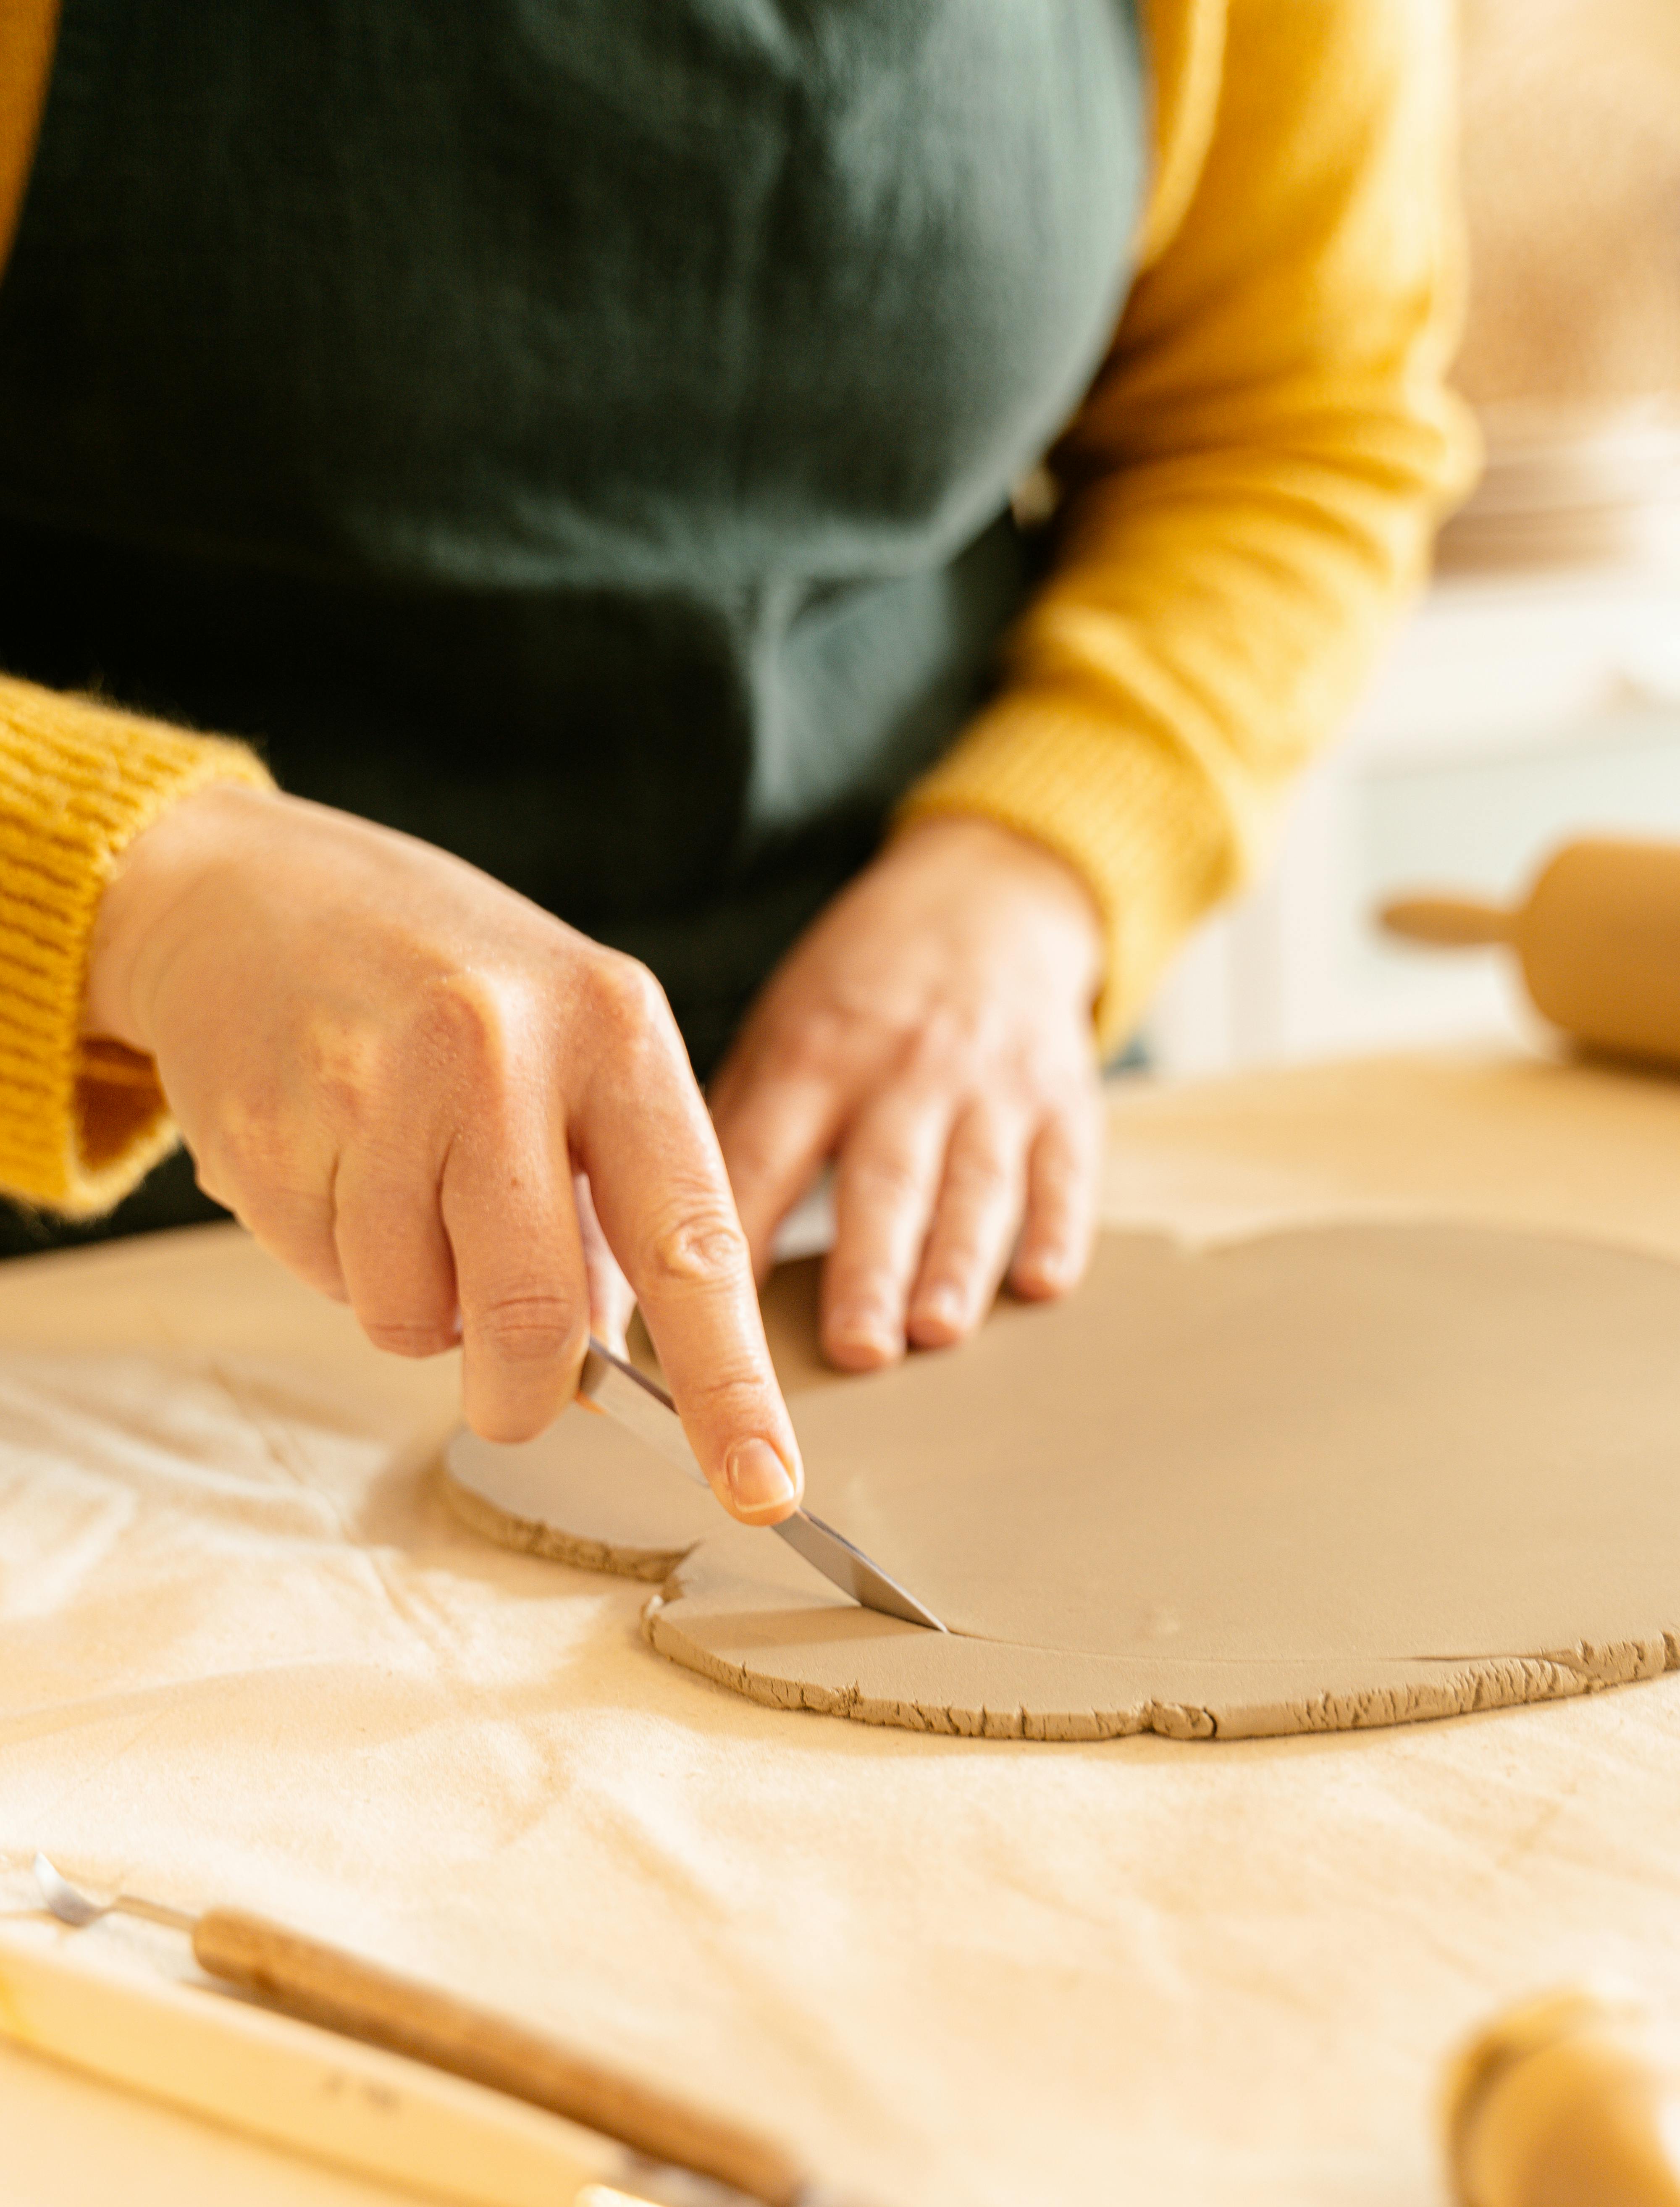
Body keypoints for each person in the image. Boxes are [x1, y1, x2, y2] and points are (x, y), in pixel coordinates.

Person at [0, 0, 1472, 1529]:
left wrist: (1033, 867)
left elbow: (1294, 423)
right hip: (99, 1270)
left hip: (928, 1160)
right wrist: (147, 898)